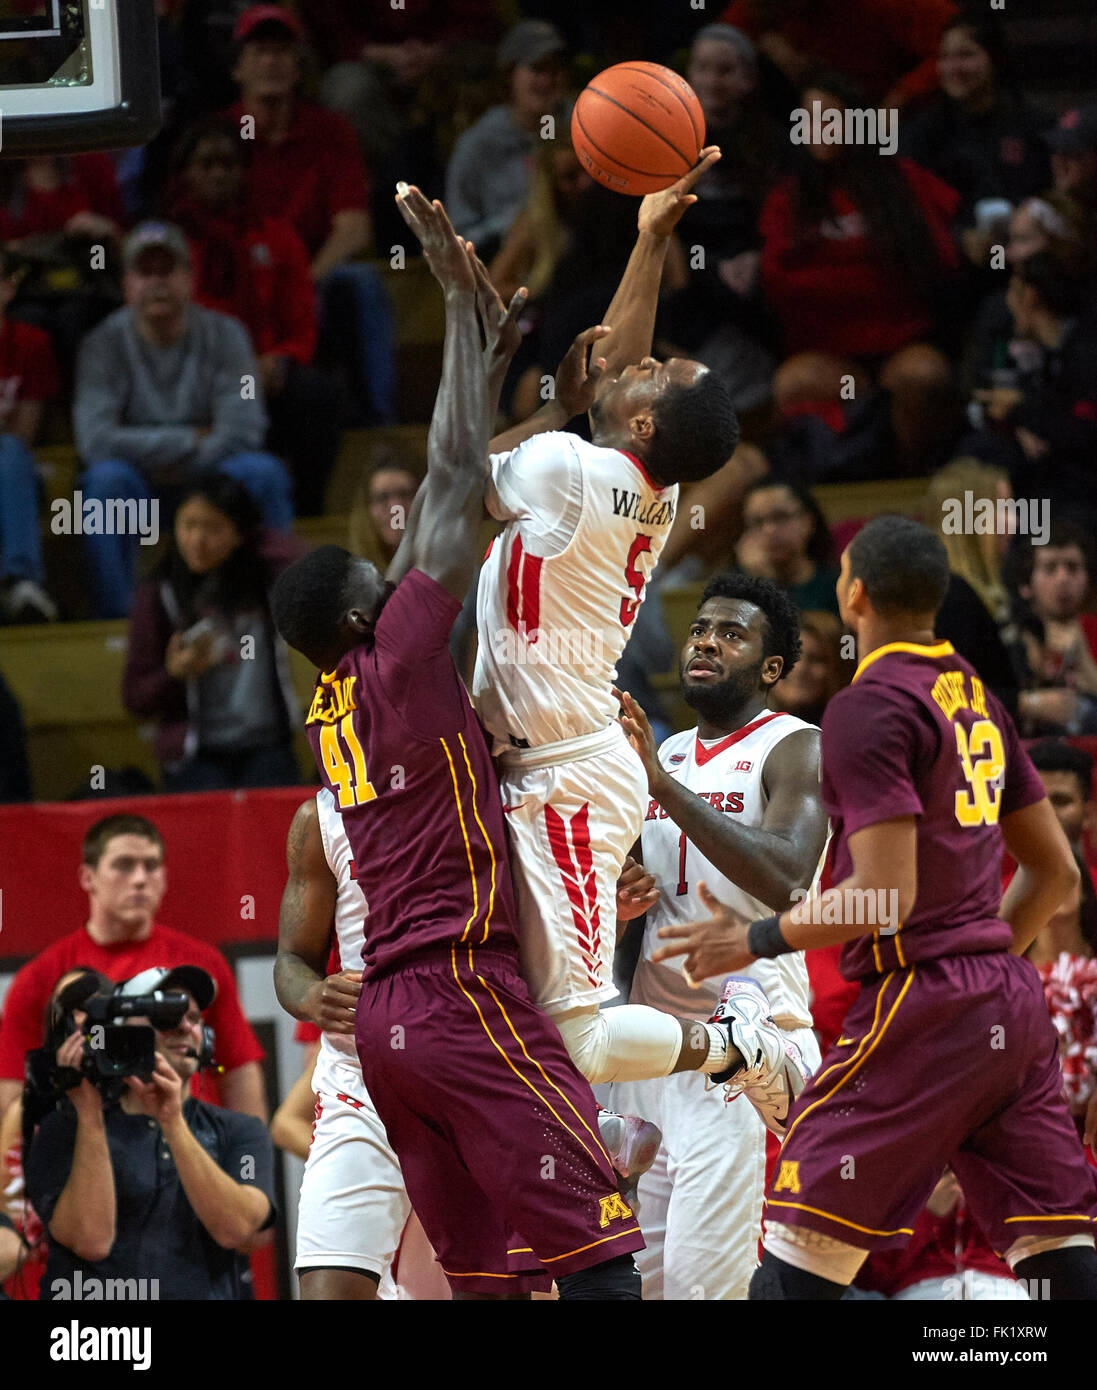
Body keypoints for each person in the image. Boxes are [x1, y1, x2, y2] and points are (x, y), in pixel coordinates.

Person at [271, 185, 645, 1299]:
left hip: (382, 1025)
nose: (403, 587)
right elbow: (446, 481)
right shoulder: (394, 654)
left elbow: (464, 488)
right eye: (381, 587)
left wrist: (535, 399)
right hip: (458, 997)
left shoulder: (336, 706)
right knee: (604, 1257)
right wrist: (462, 329)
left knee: (484, 1281)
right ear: (359, 619)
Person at [653, 514, 1097, 1300]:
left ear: (852, 590)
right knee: (1059, 1262)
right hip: (1007, 1003)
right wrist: (987, 955)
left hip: (919, 1006)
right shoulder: (974, 694)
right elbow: (1055, 872)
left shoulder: (867, 705)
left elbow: (883, 893)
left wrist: (751, 938)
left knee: (789, 1273)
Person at [470, 156, 801, 1112]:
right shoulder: (628, 482)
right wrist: (651, 237)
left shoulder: (569, 471)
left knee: (578, 1033)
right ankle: (604, 1146)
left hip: (566, 770)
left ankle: (734, 1047)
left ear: (644, 419)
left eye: (654, 374)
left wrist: (550, 404)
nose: (635, 365)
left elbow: (451, 479)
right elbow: (617, 370)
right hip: (542, 760)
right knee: (507, 1009)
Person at [608, 573, 828, 1300]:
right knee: (635, 1289)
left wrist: (665, 792)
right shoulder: (660, 756)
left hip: (736, 1057)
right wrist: (619, 902)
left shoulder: (795, 747)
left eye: (730, 633)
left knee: (706, 1292)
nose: (705, 641)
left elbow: (790, 881)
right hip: (645, 1054)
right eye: (700, 628)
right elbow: (630, 916)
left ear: (770, 668)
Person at [273, 791, 450, 1302]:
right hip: (362, 1078)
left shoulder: (481, 784)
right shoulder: (319, 817)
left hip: (471, 1063)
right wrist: (311, 995)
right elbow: (291, 960)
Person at [74, 220, 293, 619]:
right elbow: (95, 440)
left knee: (264, 473)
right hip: (138, 484)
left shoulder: (228, 335)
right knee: (105, 483)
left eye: (167, 270)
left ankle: (283, 613)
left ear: (190, 279)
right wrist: (191, 439)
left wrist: (148, 444)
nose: (157, 282)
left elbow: (246, 429)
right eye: (145, 271)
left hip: (209, 478)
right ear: (127, 284)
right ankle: (119, 621)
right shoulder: (100, 345)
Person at [24, 966, 275, 1300]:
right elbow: (91, 1240)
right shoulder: (64, 1129)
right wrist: (90, 1113)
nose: (185, 1027)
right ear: (123, 1033)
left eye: (194, 1017)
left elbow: (239, 1230)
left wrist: (172, 1121)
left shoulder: (240, 1131)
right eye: (166, 1016)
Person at [0, 814, 267, 1126]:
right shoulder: (41, 978)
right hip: (89, 1145)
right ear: (88, 877)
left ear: (164, 877)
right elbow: (12, 1090)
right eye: (123, 865)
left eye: (151, 866)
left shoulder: (202, 963)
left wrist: (250, 1160)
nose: (140, 878)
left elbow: (237, 1069)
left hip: (192, 1145)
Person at [758, 69, 960, 470]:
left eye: (831, 118)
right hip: (828, 354)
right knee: (792, 384)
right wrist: (865, 277)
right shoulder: (789, 197)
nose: (821, 129)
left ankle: (908, 481)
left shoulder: (902, 179)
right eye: (809, 119)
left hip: (901, 347)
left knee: (922, 376)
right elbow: (778, 283)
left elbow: (942, 259)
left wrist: (833, 279)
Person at [224, 5, 396, 425]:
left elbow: (353, 230)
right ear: (238, 68)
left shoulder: (329, 131)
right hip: (242, 281)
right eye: (259, 51)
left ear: (298, 66)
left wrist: (301, 283)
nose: (271, 61)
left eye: (282, 51)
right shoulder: (221, 138)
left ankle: (378, 422)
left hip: (314, 275)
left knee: (362, 283)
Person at [168, 119, 343, 517]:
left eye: (228, 164)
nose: (218, 174)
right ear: (185, 174)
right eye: (206, 164)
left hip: (263, 376)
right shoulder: (169, 245)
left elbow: (303, 327)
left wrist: (279, 358)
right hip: (194, 380)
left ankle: (308, 511)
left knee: (317, 392)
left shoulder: (277, 238)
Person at [121, 476, 302, 792]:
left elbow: (305, 564)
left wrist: (254, 533)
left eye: (213, 528)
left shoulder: (268, 582)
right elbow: (135, 699)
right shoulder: (159, 595)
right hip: (195, 755)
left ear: (240, 533)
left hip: (268, 748)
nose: (197, 540)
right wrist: (173, 674)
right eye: (187, 525)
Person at [902, 10, 1050, 265]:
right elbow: (909, 214)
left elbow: (1053, 198)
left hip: (1028, 261)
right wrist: (959, 238)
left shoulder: (1033, 123)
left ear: (996, 59)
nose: (953, 68)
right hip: (953, 269)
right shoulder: (922, 134)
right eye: (945, 57)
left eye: (966, 55)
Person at [445, 20, 570, 261]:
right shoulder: (479, 143)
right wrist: (510, 229)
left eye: (554, 70)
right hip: (499, 260)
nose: (547, 80)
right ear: (509, 75)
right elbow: (459, 233)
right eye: (537, 69)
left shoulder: (581, 127)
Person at [926, 457, 1024, 717]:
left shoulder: (993, 587)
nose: (1014, 523)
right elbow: (953, 695)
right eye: (1003, 510)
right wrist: (1033, 704)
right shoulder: (951, 597)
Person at [0, 245, 59, 623]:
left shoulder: (31, 344)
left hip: (13, 474)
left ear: (8, 288)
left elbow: (24, 433)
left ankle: (22, 582)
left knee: (9, 451)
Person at [1013, 522, 1097, 736]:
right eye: (1050, 568)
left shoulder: (1093, 629)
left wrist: (1084, 663)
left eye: (1072, 567)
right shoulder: (1011, 637)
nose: (1063, 579)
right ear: (1026, 584)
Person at [735, 477, 840, 615]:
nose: (769, 530)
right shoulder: (732, 590)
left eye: (780, 517)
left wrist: (764, 581)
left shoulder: (836, 586)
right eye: (757, 522)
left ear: (807, 522)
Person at [771, 609, 848, 724]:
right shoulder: (740, 726)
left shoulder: (846, 731)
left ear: (836, 669)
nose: (801, 669)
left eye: (817, 659)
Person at [347, 454, 421, 572]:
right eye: (382, 498)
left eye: (405, 494)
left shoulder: (443, 570)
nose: (396, 507)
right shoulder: (352, 576)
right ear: (365, 510)